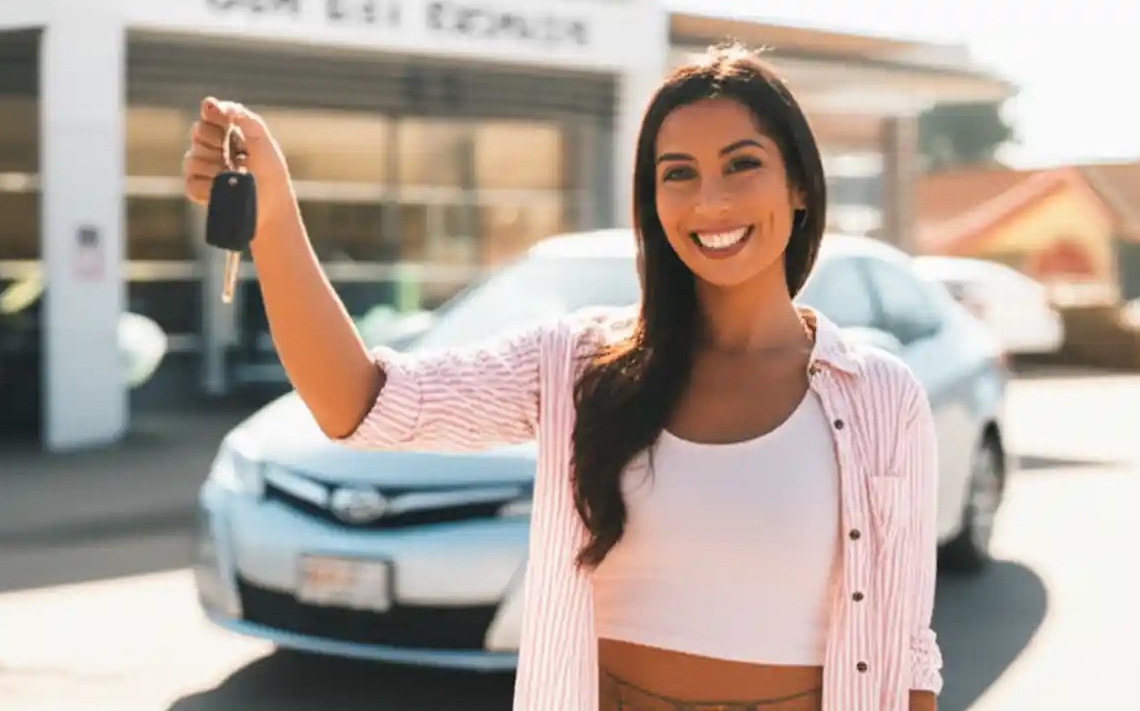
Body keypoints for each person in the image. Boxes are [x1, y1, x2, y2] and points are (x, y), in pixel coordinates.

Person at [182, 43, 942, 711]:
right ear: (652, 200)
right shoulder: (580, 366)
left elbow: (906, 647)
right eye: (678, 174)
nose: (709, 200)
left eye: (742, 165)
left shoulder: (878, 397)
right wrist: (274, 218)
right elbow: (363, 403)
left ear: (799, 186)